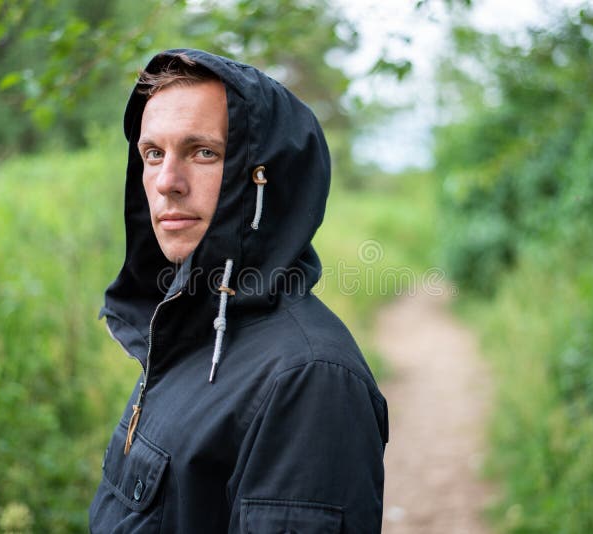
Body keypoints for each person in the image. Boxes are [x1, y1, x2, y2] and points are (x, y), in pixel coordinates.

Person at [89, 48, 389, 533]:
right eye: (153, 154)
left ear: (269, 180)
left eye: (203, 152)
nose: (167, 182)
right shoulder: (184, 328)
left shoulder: (309, 380)